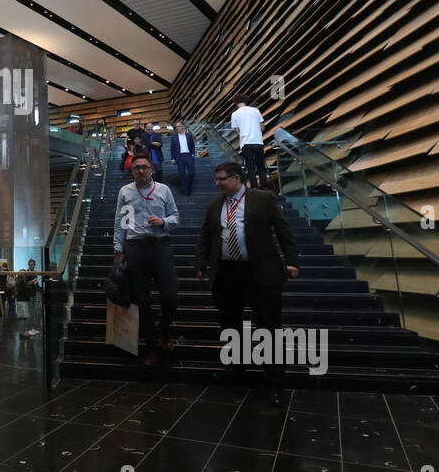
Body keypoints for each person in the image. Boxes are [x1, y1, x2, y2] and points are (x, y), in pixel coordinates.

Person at [194, 160, 299, 406]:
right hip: (227, 273)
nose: (217, 183)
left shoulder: (262, 198)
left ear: (237, 178)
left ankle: (274, 379)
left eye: (222, 179)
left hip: (260, 272)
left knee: (269, 325)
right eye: (216, 179)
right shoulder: (213, 206)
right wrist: (200, 263)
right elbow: (206, 236)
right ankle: (237, 370)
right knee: (230, 323)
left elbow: (284, 231)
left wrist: (291, 260)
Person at [112, 156, 180, 366]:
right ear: (132, 170)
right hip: (135, 249)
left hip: (160, 246)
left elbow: (176, 217)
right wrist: (118, 250)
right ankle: (152, 346)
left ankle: (165, 328)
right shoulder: (125, 191)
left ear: (151, 169)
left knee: (170, 296)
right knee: (141, 301)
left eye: (144, 167)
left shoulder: (163, 190)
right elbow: (120, 222)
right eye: (137, 168)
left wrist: (163, 222)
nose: (141, 170)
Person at [231, 96, 268, 190]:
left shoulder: (235, 114)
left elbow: (237, 130)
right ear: (246, 101)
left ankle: (254, 187)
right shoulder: (255, 110)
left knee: (250, 167)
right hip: (258, 141)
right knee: (261, 166)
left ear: (235, 103)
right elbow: (262, 127)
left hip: (245, 143)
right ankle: (264, 187)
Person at [170, 122, 197, 197]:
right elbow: (172, 148)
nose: (177, 128)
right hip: (179, 157)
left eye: (179, 126)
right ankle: (185, 191)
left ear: (183, 127)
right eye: (176, 127)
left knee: (191, 173)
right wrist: (172, 158)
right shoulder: (174, 137)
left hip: (188, 156)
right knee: (182, 175)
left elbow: (193, 146)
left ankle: (189, 187)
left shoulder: (189, 136)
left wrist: (193, 155)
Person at [18, 258, 41, 337]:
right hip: (29, 295)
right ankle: (29, 328)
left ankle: (31, 327)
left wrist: (38, 287)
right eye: (30, 264)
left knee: (33, 312)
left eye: (33, 264)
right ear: (29, 265)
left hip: (34, 293)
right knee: (30, 312)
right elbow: (26, 284)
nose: (32, 266)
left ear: (34, 265)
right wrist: (32, 282)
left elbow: (35, 284)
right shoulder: (26, 273)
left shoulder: (35, 273)